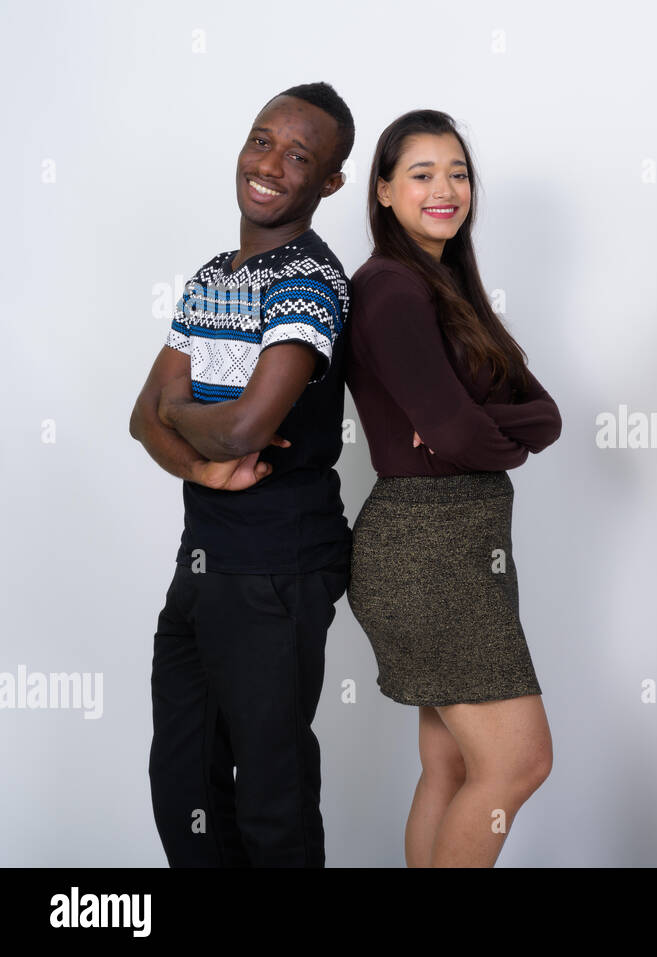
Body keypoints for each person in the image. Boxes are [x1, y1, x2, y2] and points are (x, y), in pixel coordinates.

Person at [128, 82, 355, 866]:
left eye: (299, 156)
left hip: (277, 568)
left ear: (328, 184)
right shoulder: (211, 277)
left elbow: (249, 423)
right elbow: (139, 418)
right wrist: (203, 462)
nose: (270, 164)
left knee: (271, 797)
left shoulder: (310, 283)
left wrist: (180, 411)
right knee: (183, 783)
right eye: (262, 141)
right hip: (204, 561)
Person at [344, 110, 560, 868]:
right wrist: (468, 428)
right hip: (425, 548)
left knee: (455, 765)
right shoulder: (390, 288)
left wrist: (464, 423)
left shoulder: (448, 286)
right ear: (382, 191)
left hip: (462, 544)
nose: (446, 188)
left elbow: (548, 415)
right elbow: (459, 434)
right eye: (422, 173)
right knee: (518, 761)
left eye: (458, 172)